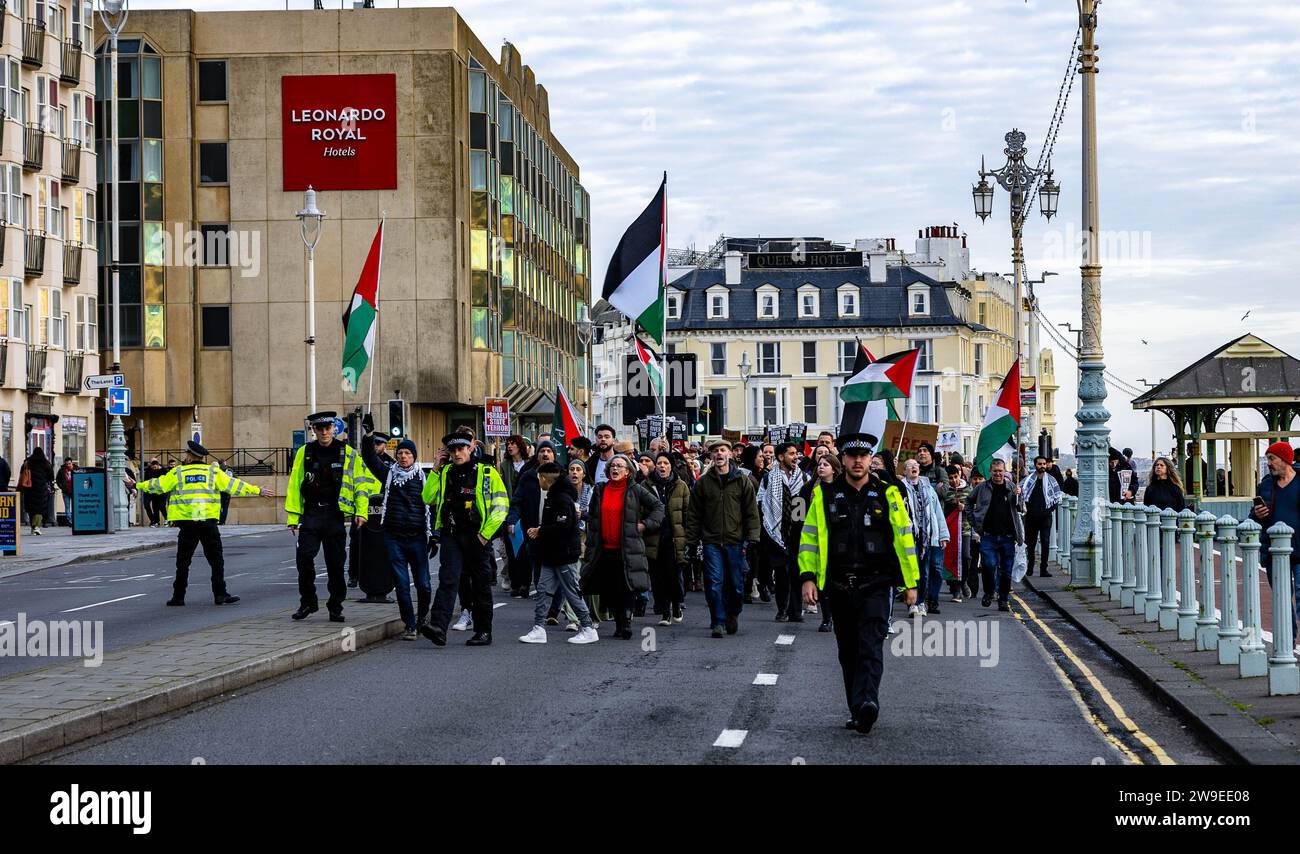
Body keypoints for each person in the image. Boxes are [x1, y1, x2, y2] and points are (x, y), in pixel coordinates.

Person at [798, 432, 920, 734]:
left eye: (863, 456)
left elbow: (904, 540)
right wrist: (808, 578)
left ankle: (868, 702)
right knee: (848, 651)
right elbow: (810, 539)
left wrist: (911, 583)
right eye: (851, 456)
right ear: (844, 460)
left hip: (876, 584)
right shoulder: (825, 495)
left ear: (870, 460)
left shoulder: (888, 494)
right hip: (839, 585)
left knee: (870, 645)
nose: (857, 461)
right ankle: (857, 709)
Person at [129, 440, 272, 606]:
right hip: (207, 523)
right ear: (201, 458)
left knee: (183, 562)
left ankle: (178, 596)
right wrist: (258, 490)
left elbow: (158, 485)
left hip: (187, 524)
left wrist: (136, 484)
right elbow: (234, 485)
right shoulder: (213, 472)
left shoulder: (178, 473)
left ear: (189, 456)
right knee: (216, 560)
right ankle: (220, 594)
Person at [285, 411, 378, 623]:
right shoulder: (304, 452)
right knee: (304, 559)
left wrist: (361, 512)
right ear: (314, 430)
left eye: (328, 428)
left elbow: (360, 485)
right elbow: (295, 484)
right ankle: (308, 601)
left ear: (334, 428)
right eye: (320, 429)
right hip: (311, 514)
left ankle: (335, 606)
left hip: (334, 515)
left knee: (335, 564)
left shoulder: (347, 452)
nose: (324, 432)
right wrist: (293, 515)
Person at [420, 431, 510, 647]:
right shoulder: (445, 472)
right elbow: (427, 497)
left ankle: (483, 632)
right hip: (452, 534)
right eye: (453, 450)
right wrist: (435, 469)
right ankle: (438, 627)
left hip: (477, 535)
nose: (457, 453)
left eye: (461, 449)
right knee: (448, 580)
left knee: (480, 585)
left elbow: (501, 506)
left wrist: (484, 535)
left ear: (470, 448)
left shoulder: (486, 472)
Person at [578, 454, 663, 640]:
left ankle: (626, 621)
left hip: (628, 547)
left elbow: (658, 507)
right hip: (604, 547)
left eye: (619, 466)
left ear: (628, 471)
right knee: (610, 588)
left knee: (626, 586)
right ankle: (618, 621)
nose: (615, 469)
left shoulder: (635, 490)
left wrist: (645, 525)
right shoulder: (600, 489)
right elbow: (593, 517)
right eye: (612, 466)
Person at [359, 431, 432, 640]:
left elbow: (433, 507)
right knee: (401, 584)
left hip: (417, 537)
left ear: (414, 457)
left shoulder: (423, 478)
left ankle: (422, 618)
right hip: (394, 537)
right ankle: (409, 625)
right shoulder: (388, 474)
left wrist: (434, 535)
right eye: (400, 453)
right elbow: (370, 458)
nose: (403, 456)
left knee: (424, 584)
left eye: (408, 453)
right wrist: (368, 436)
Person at [685, 439, 760, 639]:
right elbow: (694, 514)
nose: (719, 454)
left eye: (723, 450)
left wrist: (752, 537)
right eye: (715, 451)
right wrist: (691, 541)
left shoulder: (742, 480)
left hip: (735, 541)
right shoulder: (703, 482)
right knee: (713, 582)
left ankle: (733, 612)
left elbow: (751, 512)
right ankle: (718, 620)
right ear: (710, 456)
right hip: (711, 542)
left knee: (736, 585)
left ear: (729, 455)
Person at [518, 462, 599, 645]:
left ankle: (587, 627)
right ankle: (539, 628)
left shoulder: (561, 498)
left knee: (571, 592)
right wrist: (542, 530)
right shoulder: (554, 496)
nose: (539, 481)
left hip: (563, 554)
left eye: (540, 477)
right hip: (551, 554)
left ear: (545, 478)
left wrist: (540, 531)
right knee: (543, 590)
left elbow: (563, 526)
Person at [1250, 442, 1300, 635]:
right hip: (1274, 551)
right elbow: (1252, 517)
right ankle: (1288, 640)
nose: (1269, 463)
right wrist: (1257, 514)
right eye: (1268, 458)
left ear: (1285, 460)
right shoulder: (1266, 486)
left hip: (1299, 548)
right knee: (1282, 597)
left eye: (1272, 458)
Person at [761, 442, 810, 623]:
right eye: (791, 454)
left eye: (796, 454)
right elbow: (761, 503)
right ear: (781, 457)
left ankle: (795, 611)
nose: (795, 457)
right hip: (776, 533)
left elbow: (805, 506)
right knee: (781, 573)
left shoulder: (803, 478)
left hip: (797, 532)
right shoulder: (768, 478)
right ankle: (782, 608)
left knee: (796, 572)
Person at [970, 459, 1025, 611]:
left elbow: (1020, 508)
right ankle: (989, 591)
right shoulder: (982, 487)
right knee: (989, 565)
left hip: (1008, 536)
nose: (998, 474)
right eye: (995, 471)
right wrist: (974, 522)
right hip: (988, 536)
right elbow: (969, 502)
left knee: (1006, 570)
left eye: (1000, 471)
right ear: (990, 471)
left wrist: (1019, 495)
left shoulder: (1012, 487)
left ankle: (1003, 599)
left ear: (1004, 470)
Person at [645, 452, 689, 626]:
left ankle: (677, 604)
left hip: (674, 538)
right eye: (659, 463)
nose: (662, 466)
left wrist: (689, 536)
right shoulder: (646, 485)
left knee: (674, 575)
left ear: (671, 466)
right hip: (654, 539)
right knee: (657, 577)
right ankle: (665, 612)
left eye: (665, 463)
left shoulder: (681, 486)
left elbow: (688, 512)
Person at [902, 459, 948, 615]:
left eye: (916, 465)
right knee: (911, 572)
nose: (914, 467)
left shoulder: (928, 489)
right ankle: (912, 604)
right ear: (905, 471)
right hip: (910, 537)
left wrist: (943, 535)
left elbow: (937, 513)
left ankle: (921, 601)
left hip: (927, 537)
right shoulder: (902, 489)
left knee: (924, 572)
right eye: (910, 466)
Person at [1020, 455, 1062, 578]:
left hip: (1045, 517)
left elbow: (1056, 497)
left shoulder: (1051, 480)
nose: (1042, 466)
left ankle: (1044, 568)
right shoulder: (1028, 480)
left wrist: (1049, 510)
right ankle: (1030, 566)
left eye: (1044, 464)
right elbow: (1021, 495)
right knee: (1030, 543)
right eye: (1040, 464)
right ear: (1035, 465)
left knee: (1045, 542)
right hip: (1031, 517)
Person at [20, 447, 54, 535]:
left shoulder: (27, 462)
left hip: (29, 488)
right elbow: (51, 476)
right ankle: (37, 527)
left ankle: (33, 526)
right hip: (41, 489)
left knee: (31, 509)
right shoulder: (46, 463)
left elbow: (22, 474)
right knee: (40, 509)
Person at [141, 458, 166, 526]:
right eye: (152, 465)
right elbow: (146, 480)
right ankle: (153, 520)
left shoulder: (163, 470)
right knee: (146, 504)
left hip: (157, 491)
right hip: (148, 491)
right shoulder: (148, 470)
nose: (154, 467)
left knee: (157, 507)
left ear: (158, 464)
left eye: (155, 466)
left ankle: (156, 521)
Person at [57, 458, 76, 527]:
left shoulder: (76, 469)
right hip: (65, 491)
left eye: (69, 464)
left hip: (75, 491)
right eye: (66, 464)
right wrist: (61, 487)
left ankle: (75, 520)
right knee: (67, 507)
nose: (68, 465)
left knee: (75, 506)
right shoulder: (62, 470)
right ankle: (69, 521)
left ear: (72, 463)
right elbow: (58, 479)